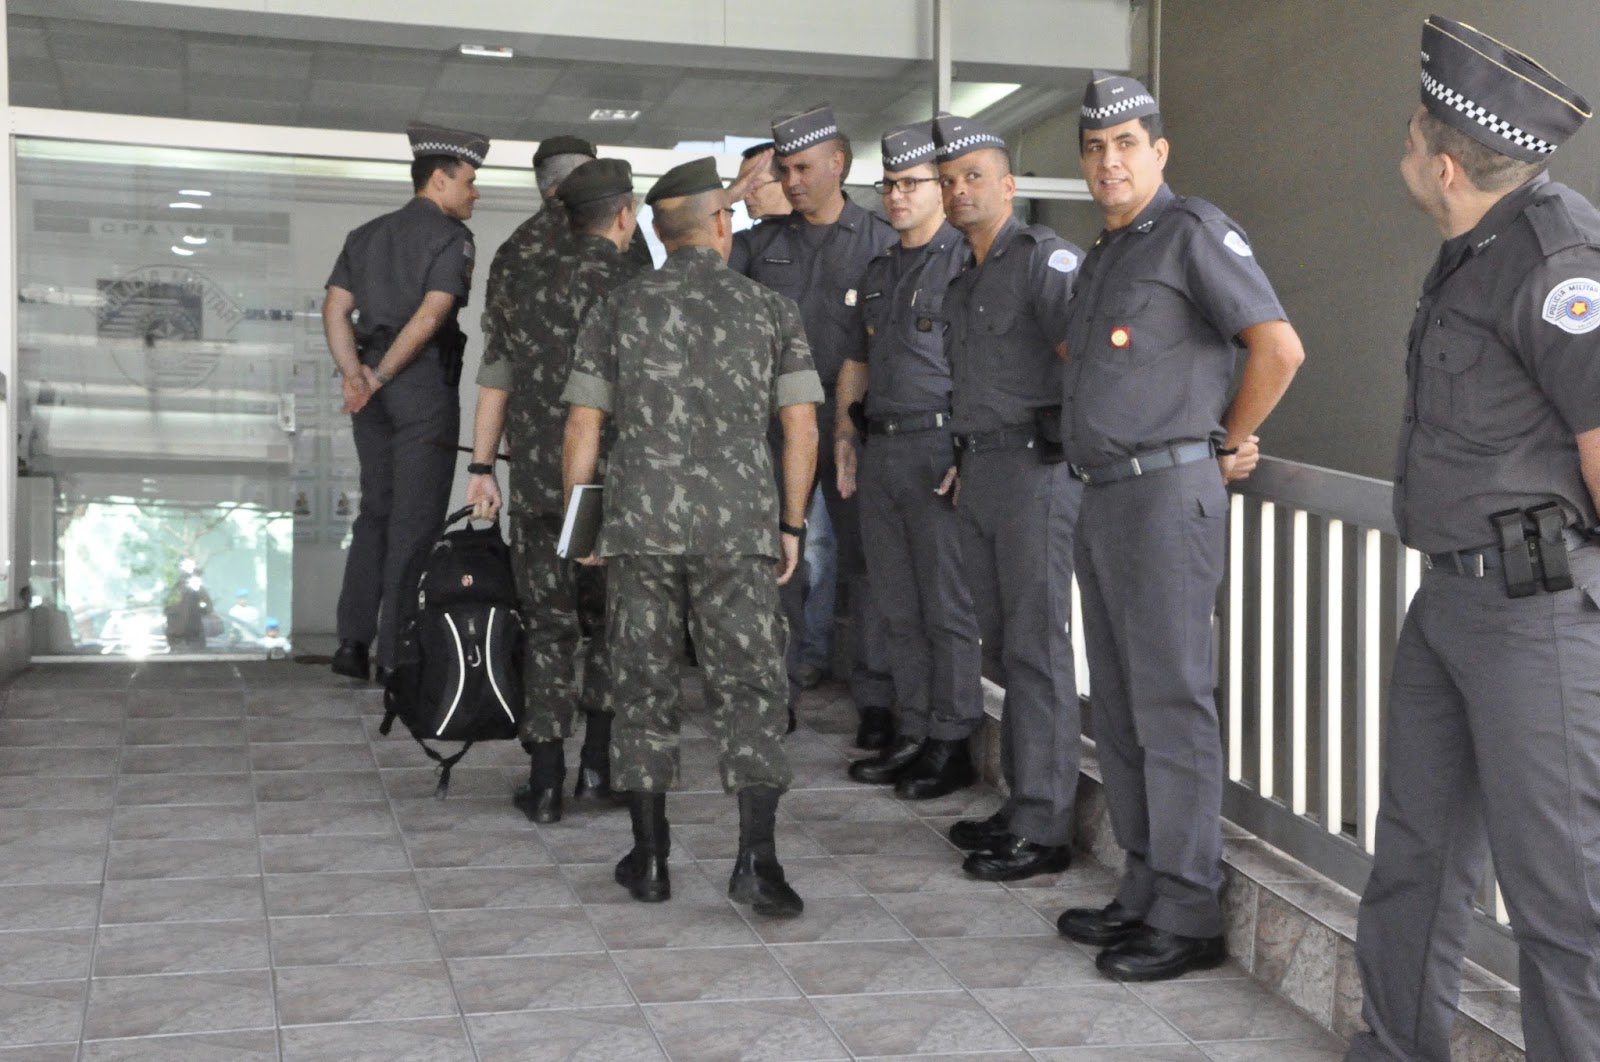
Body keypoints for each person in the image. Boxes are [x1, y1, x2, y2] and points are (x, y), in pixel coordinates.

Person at [1346, 18, 1600, 1061]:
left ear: (1445, 164)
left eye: (1411, 134)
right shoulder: (1474, 250)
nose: (1403, 147)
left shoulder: (1556, 257)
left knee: (1559, 891)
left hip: (1533, 612)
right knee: (1416, 851)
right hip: (1450, 599)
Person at [1054, 72, 1303, 981]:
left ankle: (1191, 912)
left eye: (1125, 144)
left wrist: (1225, 439)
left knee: (1170, 706)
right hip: (1104, 495)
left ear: (1158, 152)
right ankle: (1145, 887)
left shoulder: (1193, 232)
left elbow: (1278, 347)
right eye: (1094, 147)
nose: (1108, 160)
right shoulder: (1104, 257)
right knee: (1117, 705)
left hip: (1166, 497)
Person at [561, 157, 822, 919]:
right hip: (739, 530)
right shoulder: (771, 310)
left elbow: (583, 422)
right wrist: (791, 524)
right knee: (751, 689)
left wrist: (584, 525)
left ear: (657, 230)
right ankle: (758, 862)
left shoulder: (617, 308)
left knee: (641, 688)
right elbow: (801, 424)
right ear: (721, 223)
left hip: (639, 530)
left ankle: (649, 859)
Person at [926, 115, 1085, 866]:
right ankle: (1021, 802)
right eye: (951, 181)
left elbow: (1081, 362)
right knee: (1002, 647)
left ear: (1009, 186)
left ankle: (1045, 824)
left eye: (975, 177)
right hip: (981, 469)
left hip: (1035, 472)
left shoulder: (1043, 261)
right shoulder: (965, 275)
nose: (960, 191)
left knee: (1035, 647)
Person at [466, 158, 644, 823]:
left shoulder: (522, 286)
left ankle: (544, 782)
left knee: (548, 629)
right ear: (623, 214)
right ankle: (599, 767)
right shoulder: (639, 290)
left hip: (540, 487)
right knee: (611, 630)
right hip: (619, 490)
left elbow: (496, 382)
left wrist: (481, 467)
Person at [735, 104, 899, 749]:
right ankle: (781, 687)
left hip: (856, 427)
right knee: (784, 561)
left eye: (801, 167)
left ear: (837, 165)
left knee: (868, 567)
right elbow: (696, 254)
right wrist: (736, 190)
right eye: (782, 169)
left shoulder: (881, 240)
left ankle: (877, 700)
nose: (791, 179)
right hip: (779, 432)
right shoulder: (760, 245)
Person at [834, 122, 985, 802]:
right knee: (897, 602)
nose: (895, 196)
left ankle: (951, 740)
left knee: (945, 605)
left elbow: (986, 366)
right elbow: (855, 363)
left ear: (940, 189)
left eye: (909, 184)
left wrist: (967, 446)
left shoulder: (964, 263)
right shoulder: (878, 271)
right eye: (887, 184)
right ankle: (915, 728)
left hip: (938, 447)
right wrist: (843, 435)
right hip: (883, 448)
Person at [324, 122, 487, 681]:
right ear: (439, 180)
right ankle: (396, 653)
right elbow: (431, 313)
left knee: (376, 511)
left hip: (370, 388)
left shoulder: (365, 233)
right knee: (414, 522)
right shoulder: (450, 238)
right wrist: (384, 374)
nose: (475, 192)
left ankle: (351, 644)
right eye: (469, 180)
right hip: (417, 387)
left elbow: (334, 309)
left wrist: (356, 376)